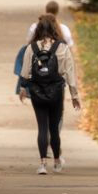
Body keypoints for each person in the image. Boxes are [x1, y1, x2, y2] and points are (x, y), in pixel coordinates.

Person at [21, 14, 81, 174]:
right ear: (55, 28)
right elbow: (70, 74)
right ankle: (56, 161)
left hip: (36, 91)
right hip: (56, 91)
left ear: (38, 29)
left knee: (42, 127)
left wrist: (22, 88)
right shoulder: (62, 47)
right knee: (54, 128)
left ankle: (42, 164)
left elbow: (25, 72)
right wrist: (75, 96)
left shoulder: (32, 47)